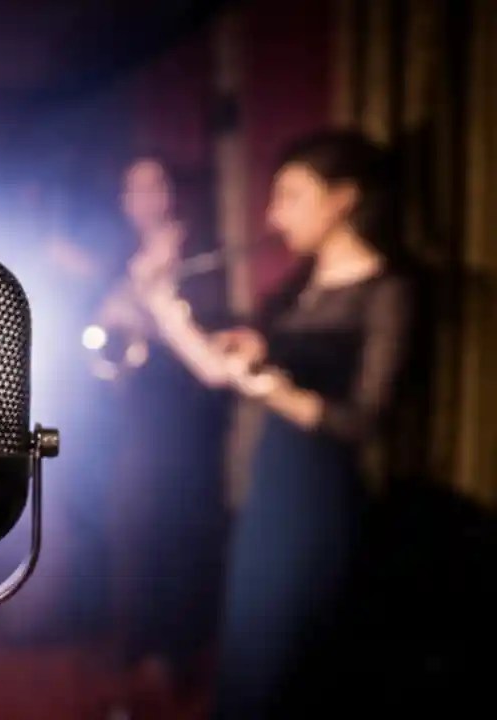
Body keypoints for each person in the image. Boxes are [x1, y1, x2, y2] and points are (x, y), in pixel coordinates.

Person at [137, 130, 417, 717]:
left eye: (290, 196)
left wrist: (277, 390)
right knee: (247, 652)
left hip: (317, 499)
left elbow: (363, 421)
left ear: (343, 199)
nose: (272, 214)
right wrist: (164, 306)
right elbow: (218, 371)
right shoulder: (299, 287)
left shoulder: (388, 289)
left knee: (286, 661)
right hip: (265, 486)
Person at [95, 155, 230, 700]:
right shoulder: (127, 258)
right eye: (131, 188)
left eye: (153, 185)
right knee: (133, 522)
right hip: (135, 409)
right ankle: (139, 643)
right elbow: (107, 328)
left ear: (175, 192)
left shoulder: (201, 255)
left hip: (182, 410)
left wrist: (159, 306)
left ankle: (173, 652)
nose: (141, 198)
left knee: (175, 523)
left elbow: (209, 336)